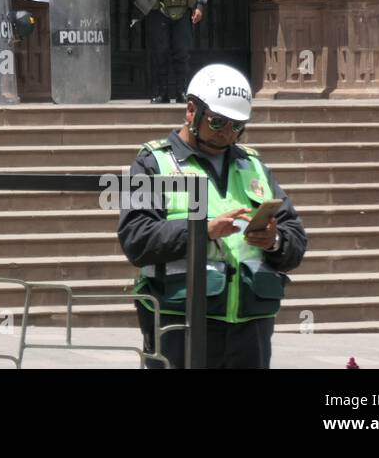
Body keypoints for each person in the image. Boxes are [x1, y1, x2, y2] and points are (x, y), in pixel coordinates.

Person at [118, 64, 307, 369]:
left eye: (237, 126)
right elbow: (136, 238)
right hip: (181, 322)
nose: (228, 135)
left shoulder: (253, 164)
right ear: (191, 110)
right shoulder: (154, 162)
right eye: (218, 123)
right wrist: (201, 231)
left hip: (250, 325)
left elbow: (296, 240)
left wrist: (274, 241)